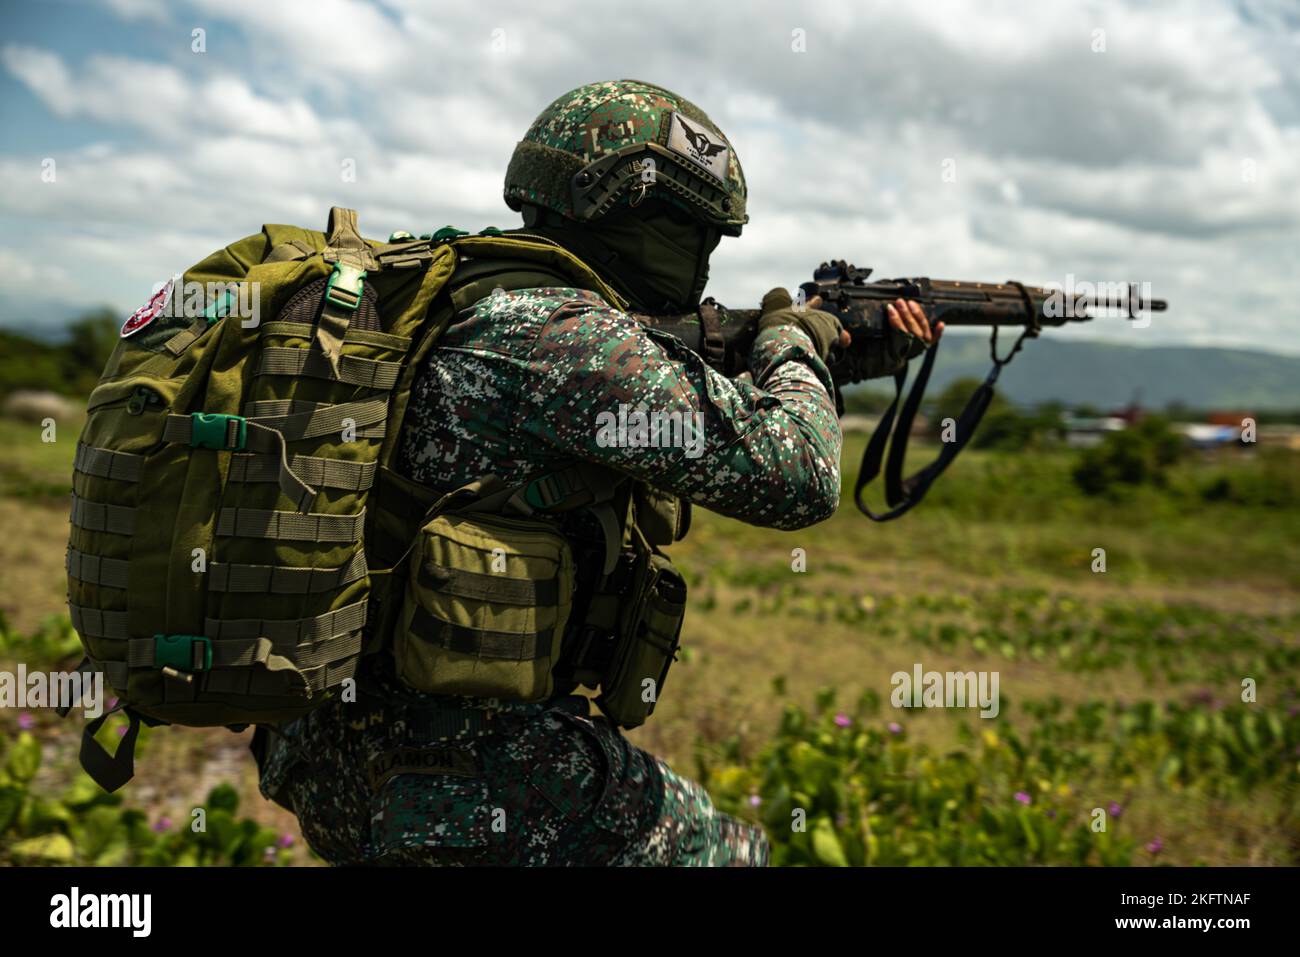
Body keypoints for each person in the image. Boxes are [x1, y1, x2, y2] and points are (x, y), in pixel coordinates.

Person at [253, 78, 938, 866]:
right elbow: (799, 472)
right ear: (638, 213)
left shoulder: (465, 295)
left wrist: (830, 354)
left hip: (331, 758)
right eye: (695, 234)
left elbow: (672, 384)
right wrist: (795, 342)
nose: (704, 261)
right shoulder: (565, 340)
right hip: (476, 777)